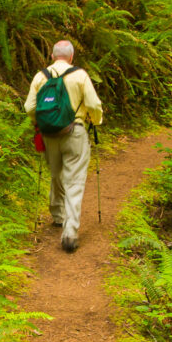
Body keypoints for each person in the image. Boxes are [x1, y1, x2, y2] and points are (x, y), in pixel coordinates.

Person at [23, 39, 104, 253]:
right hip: (74, 132)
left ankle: (58, 215)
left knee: (56, 174)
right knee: (74, 181)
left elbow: (29, 106)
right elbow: (94, 104)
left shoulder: (41, 76)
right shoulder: (80, 75)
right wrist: (95, 121)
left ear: (51, 56)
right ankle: (69, 233)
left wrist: (38, 122)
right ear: (71, 56)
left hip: (49, 134)